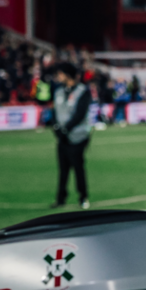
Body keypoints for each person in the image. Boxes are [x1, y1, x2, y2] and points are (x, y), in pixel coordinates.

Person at [51, 62, 92, 209]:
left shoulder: (83, 91)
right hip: (63, 137)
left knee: (78, 167)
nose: (58, 77)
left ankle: (83, 196)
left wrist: (66, 128)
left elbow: (80, 114)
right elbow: (55, 112)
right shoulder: (58, 91)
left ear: (67, 74)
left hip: (78, 136)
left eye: (60, 73)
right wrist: (56, 127)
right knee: (63, 168)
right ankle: (60, 198)